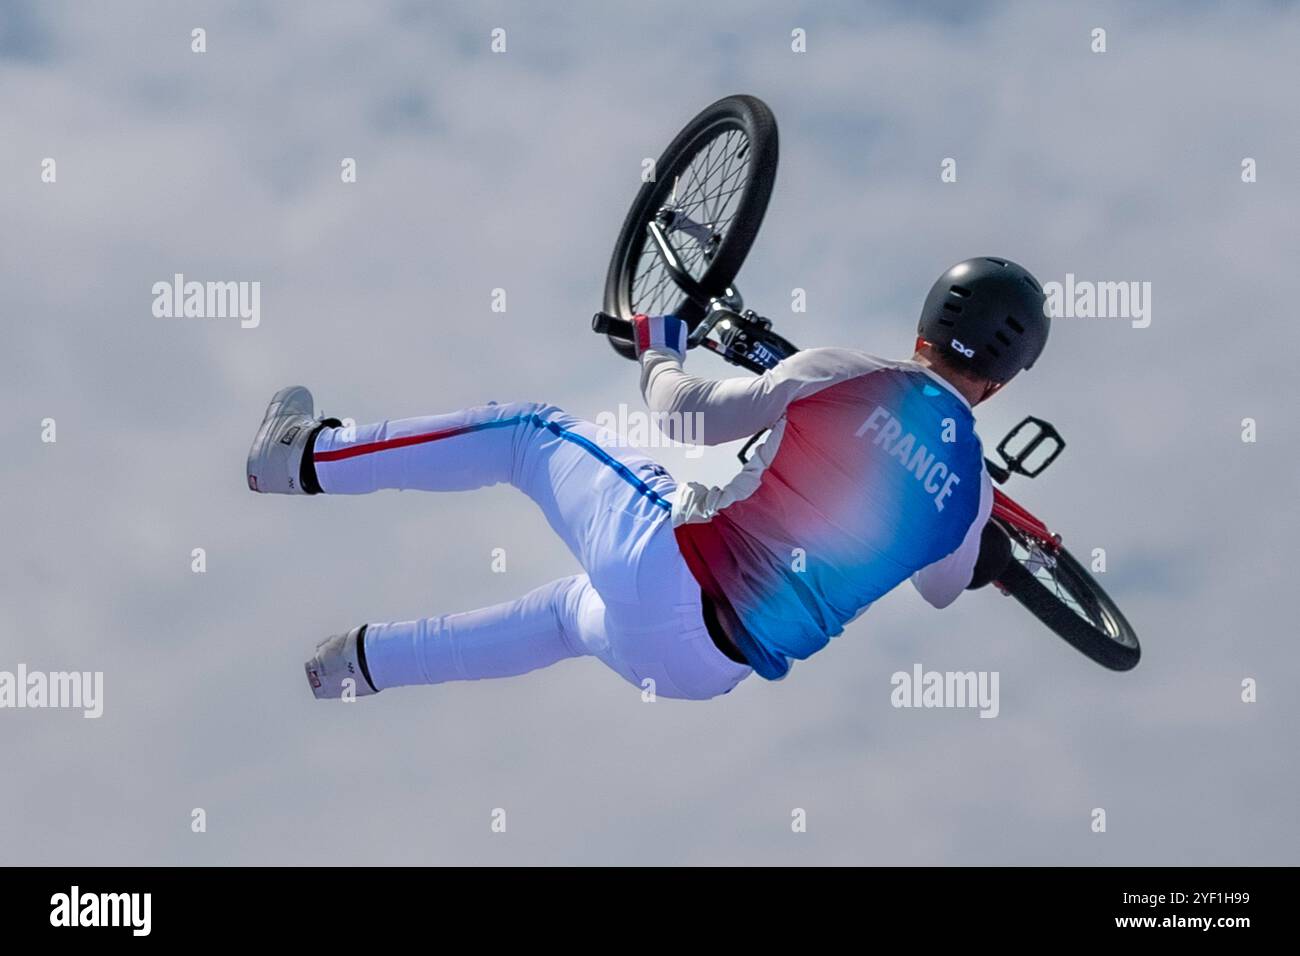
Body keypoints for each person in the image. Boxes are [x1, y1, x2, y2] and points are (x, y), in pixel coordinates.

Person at [246, 256, 1048, 701]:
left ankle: (301, 457)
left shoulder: (847, 371)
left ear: (924, 327)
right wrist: (992, 557)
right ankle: (354, 666)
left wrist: (658, 348)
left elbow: (688, 416)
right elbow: (944, 588)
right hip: (701, 670)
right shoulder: (970, 497)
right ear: (1005, 383)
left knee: (528, 435)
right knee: (562, 618)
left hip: (670, 576)